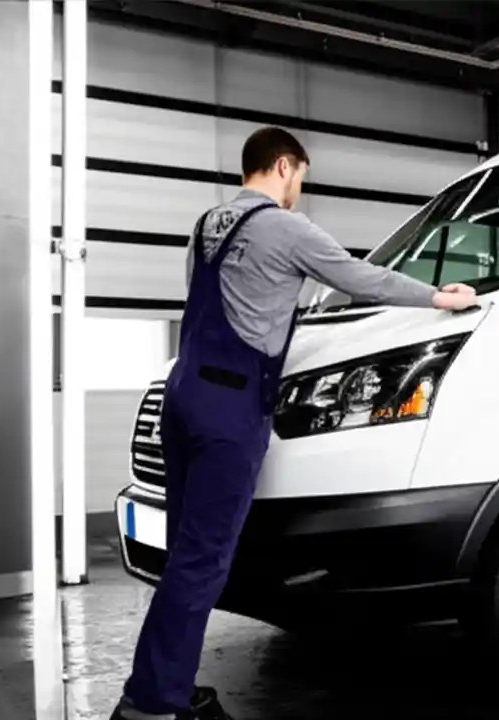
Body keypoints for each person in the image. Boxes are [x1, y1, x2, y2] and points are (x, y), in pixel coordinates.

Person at [109, 127, 476, 720]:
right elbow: (362, 279)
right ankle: (153, 704)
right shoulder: (286, 227)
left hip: (182, 397)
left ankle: (159, 684)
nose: (300, 189)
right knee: (203, 563)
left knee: (185, 558)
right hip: (230, 406)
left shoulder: (207, 225)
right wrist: (441, 299)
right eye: (300, 175)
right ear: (283, 166)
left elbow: (233, 303)